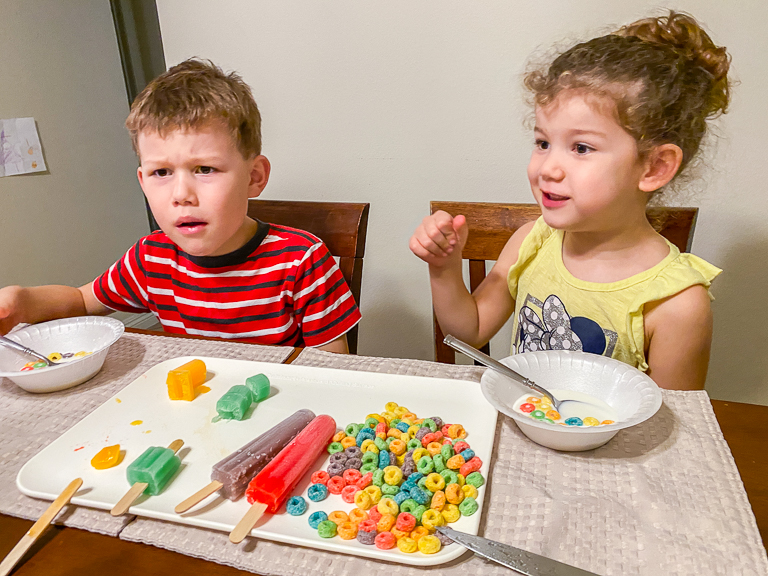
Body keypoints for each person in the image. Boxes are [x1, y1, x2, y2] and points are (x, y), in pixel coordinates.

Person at [410, 12, 730, 389]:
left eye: (581, 147)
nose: (548, 168)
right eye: (543, 142)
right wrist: (444, 268)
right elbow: (471, 330)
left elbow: (671, 418)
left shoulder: (677, 303)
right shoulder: (531, 242)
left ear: (655, 167)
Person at [0, 59, 360, 352]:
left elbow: (334, 370)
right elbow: (81, 301)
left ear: (254, 177)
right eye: (161, 172)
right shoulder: (150, 258)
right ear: (143, 182)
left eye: (205, 169)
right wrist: (23, 302)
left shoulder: (302, 261)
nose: (181, 194)